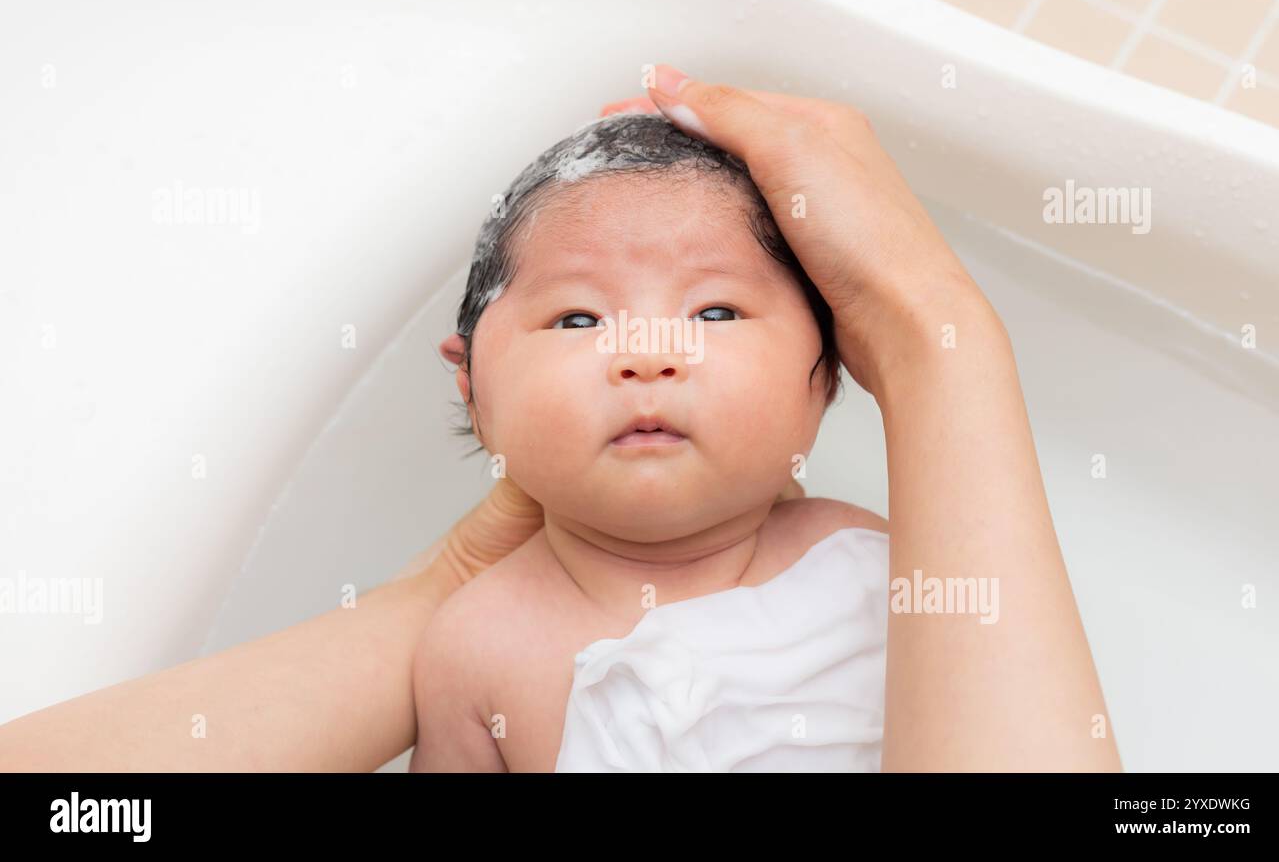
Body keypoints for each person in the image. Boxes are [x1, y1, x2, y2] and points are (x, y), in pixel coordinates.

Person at [0, 65, 1121, 772]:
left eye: (717, 310)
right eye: (579, 316)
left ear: (830, 375)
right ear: (470, 385)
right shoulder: (474, 648)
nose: (646, 351)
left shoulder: (879, 557)